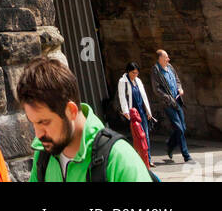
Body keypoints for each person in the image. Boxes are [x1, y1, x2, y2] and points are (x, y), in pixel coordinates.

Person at [18, 55, 152, 183]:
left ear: (71, 111)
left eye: (44, 122)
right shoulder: (42, 156)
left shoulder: (119, 159)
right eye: (33, 123)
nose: (38, 134)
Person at [151, 49, 192, 164]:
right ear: (160, 58)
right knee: (179, 128)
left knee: (182, 128)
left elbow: (177, 80)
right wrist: (167, 98)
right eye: (166, 57)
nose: (168, 59)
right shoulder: (155, 70)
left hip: (178, 100)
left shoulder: (170, 67)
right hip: (168, 103)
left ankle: (170, 144)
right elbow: (156, 89)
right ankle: (186, 155)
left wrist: (180, 88)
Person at [117, 62, 155, 167]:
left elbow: (144, 97)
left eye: (137, 73)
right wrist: (125, 111)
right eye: (133, 73)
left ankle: (148, 158)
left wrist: (148, 112)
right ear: (128, 71)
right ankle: (140, 159)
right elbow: (122, 97)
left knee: (145, 135)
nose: (135, 75)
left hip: (141, 111)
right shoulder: (123, 81)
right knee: (137, 137)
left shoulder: (138, 81)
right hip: (132, 113)